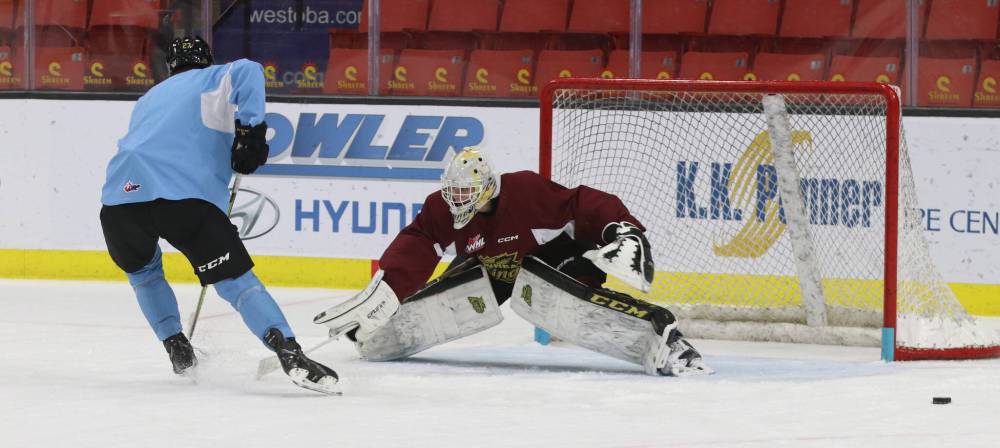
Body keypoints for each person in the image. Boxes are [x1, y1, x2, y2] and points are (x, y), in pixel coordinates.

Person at [313, 147, 712, 376]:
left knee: (554, 296)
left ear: (487, 187)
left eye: (465, 193)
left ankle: (668, 339)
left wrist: (621, 230)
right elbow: (418, 240)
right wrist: (388, 290)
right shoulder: (443, 207)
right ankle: (375, 329)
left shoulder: (525, 192)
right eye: (452, 192)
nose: (457, 201)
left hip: (561, 261)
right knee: (459, 286)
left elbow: (580, 202)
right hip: (497, 268)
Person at [98, 36, 339, 394]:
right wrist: (251, 132)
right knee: (236, 284)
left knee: (145, 275)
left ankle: (175, 344)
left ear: (171, 67)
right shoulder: (215, 77)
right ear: (207, 60)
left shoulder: (149, 98)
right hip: (183, 201)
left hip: (118, 204)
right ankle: (288, 350)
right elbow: (250, 70)